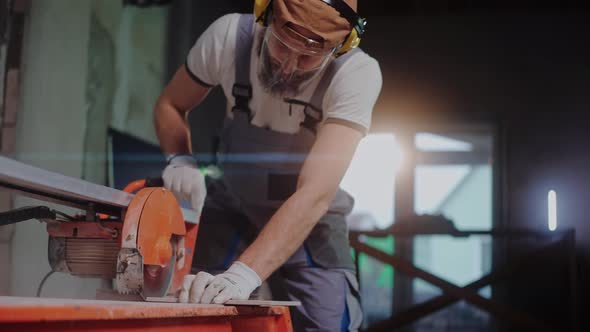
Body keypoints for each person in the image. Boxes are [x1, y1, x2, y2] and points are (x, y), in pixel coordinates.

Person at [154, 0, 381, 330]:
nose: (288, 66)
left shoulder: (356, 74)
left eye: (308, 56)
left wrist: (245, 274)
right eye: (282, 45)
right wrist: (180, 159)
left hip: (310, 219)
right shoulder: (229, 36)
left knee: (328, 323)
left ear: (340, 47)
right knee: (196, 306)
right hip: (233, 202)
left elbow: (315, 193)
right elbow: (171, 104)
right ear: (265, 14)